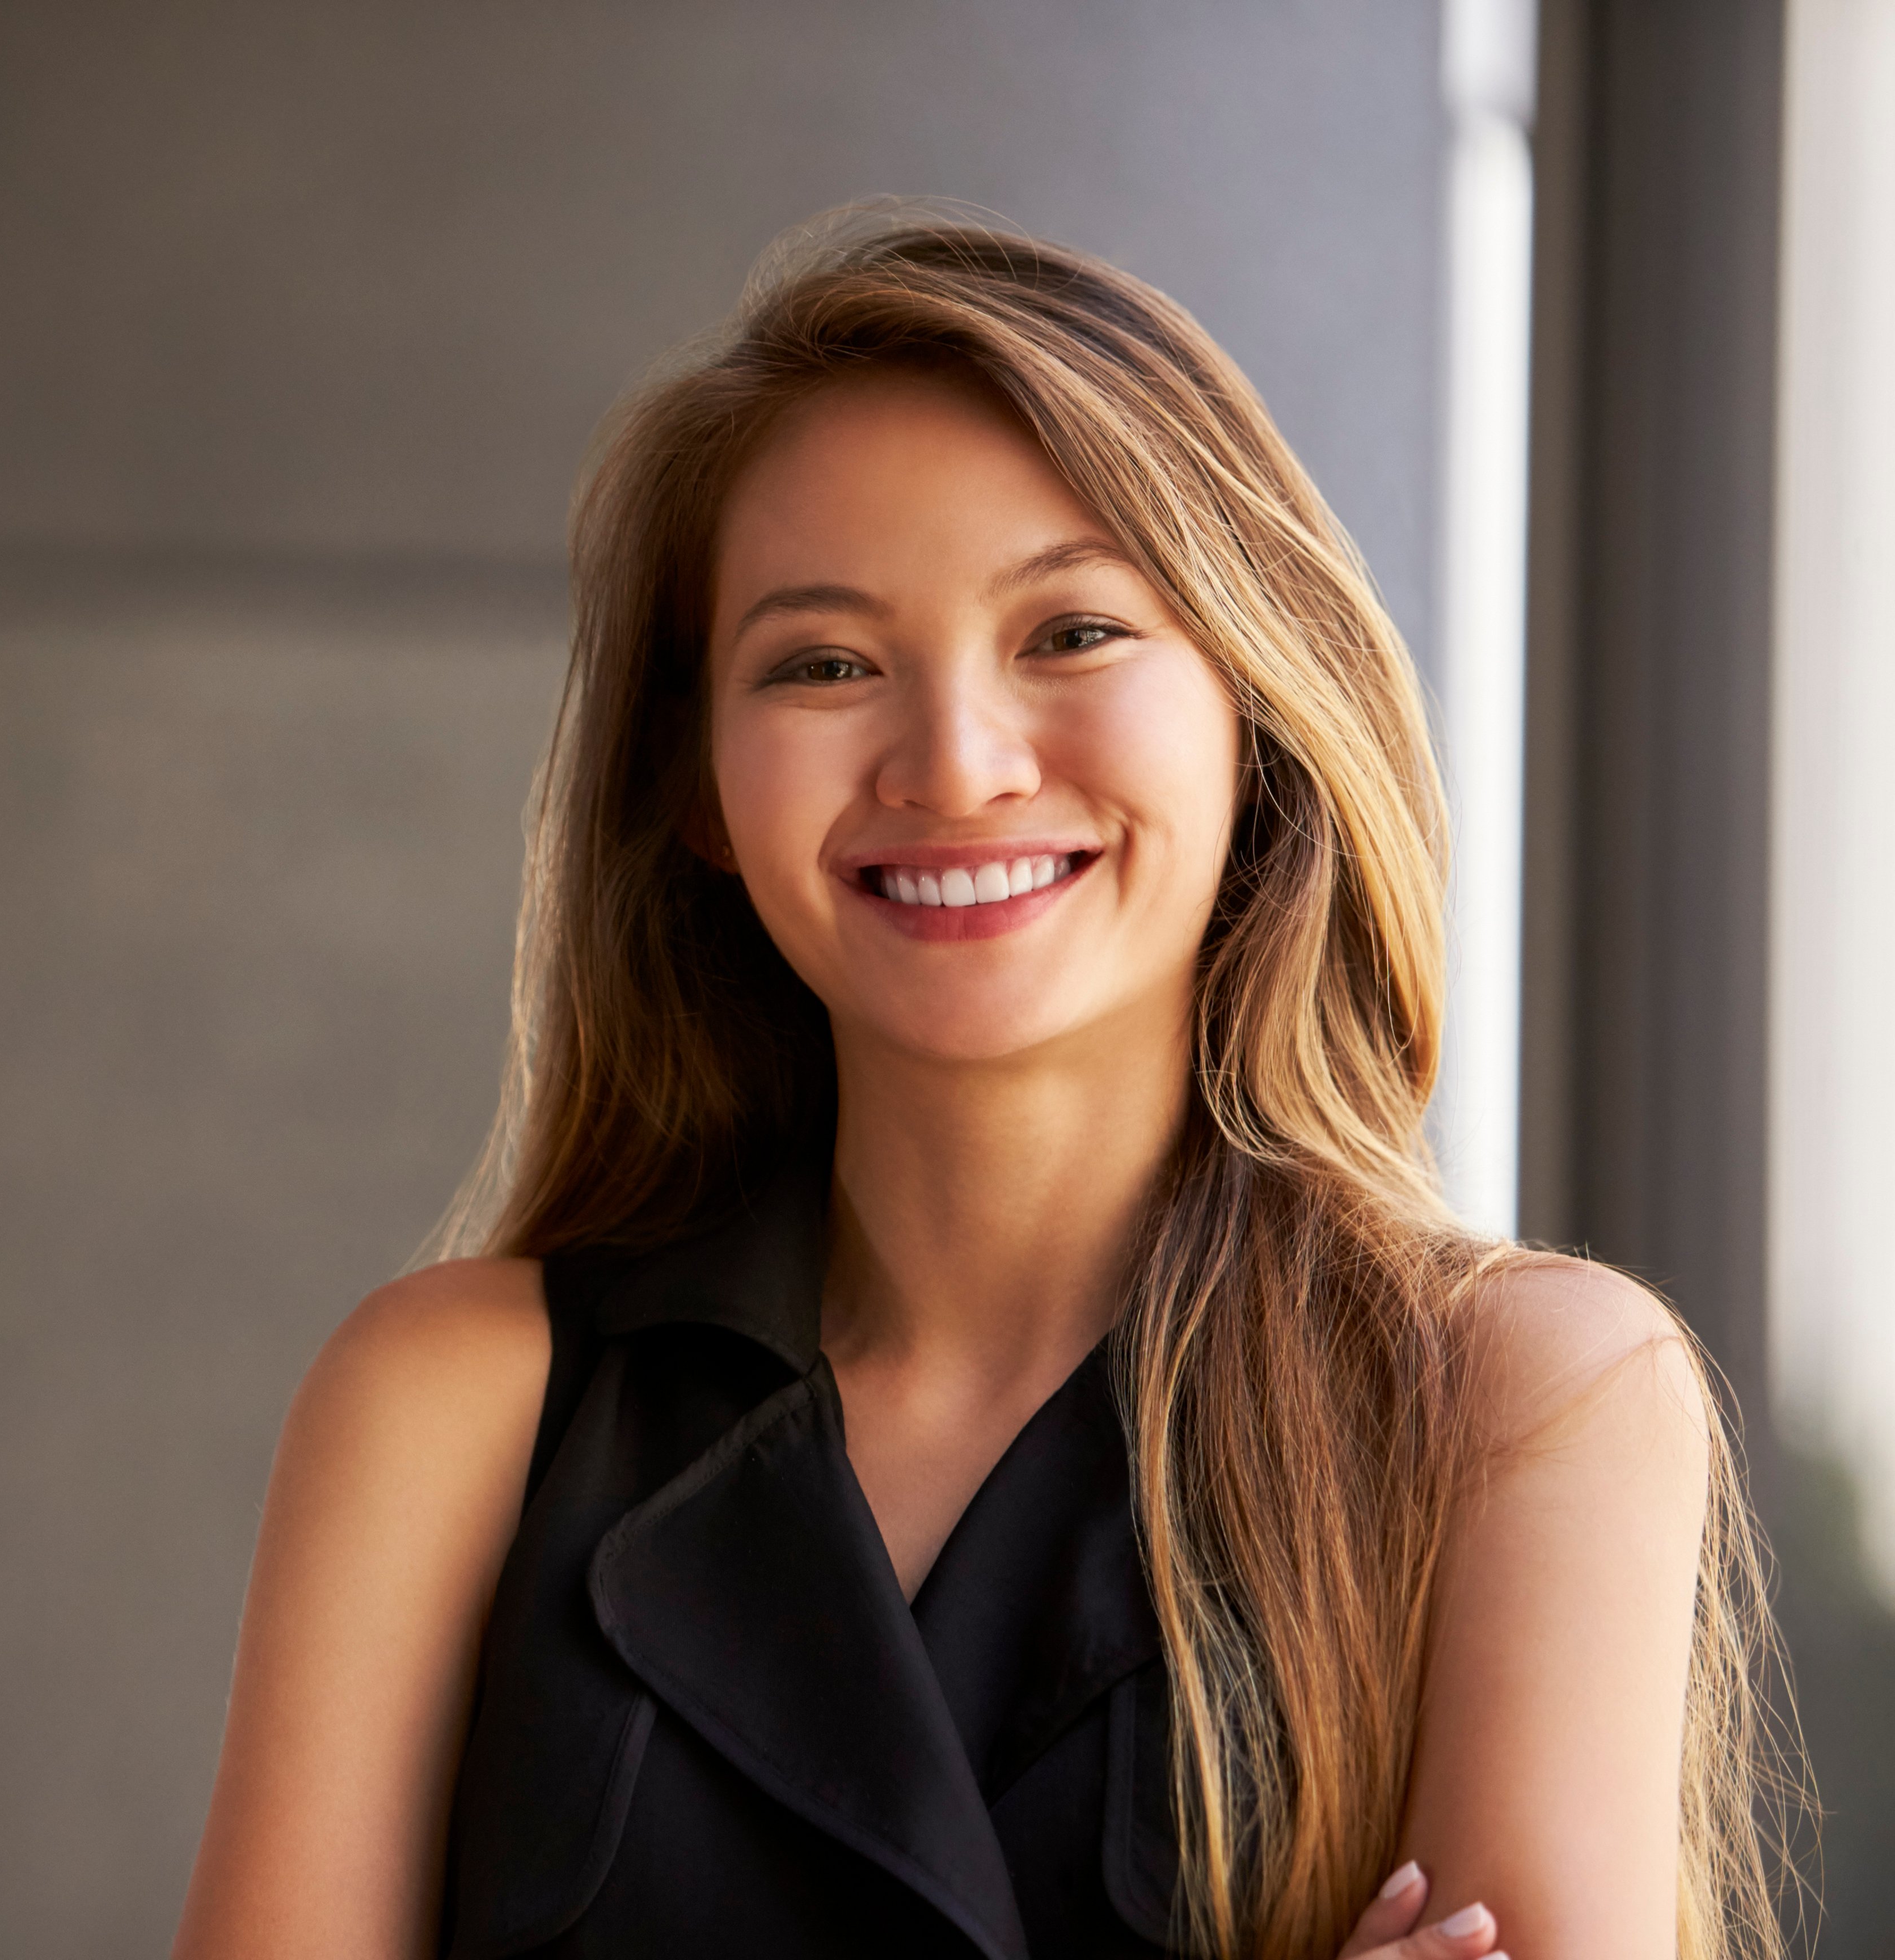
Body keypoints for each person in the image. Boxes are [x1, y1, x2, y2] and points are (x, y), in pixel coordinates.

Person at [170, 214, 1791, 1960]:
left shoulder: (1521, 1398)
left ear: (1255, 701)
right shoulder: (458, 1406)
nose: (955, 763)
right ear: (698, 787)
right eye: (822, 664)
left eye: (1073, 632)